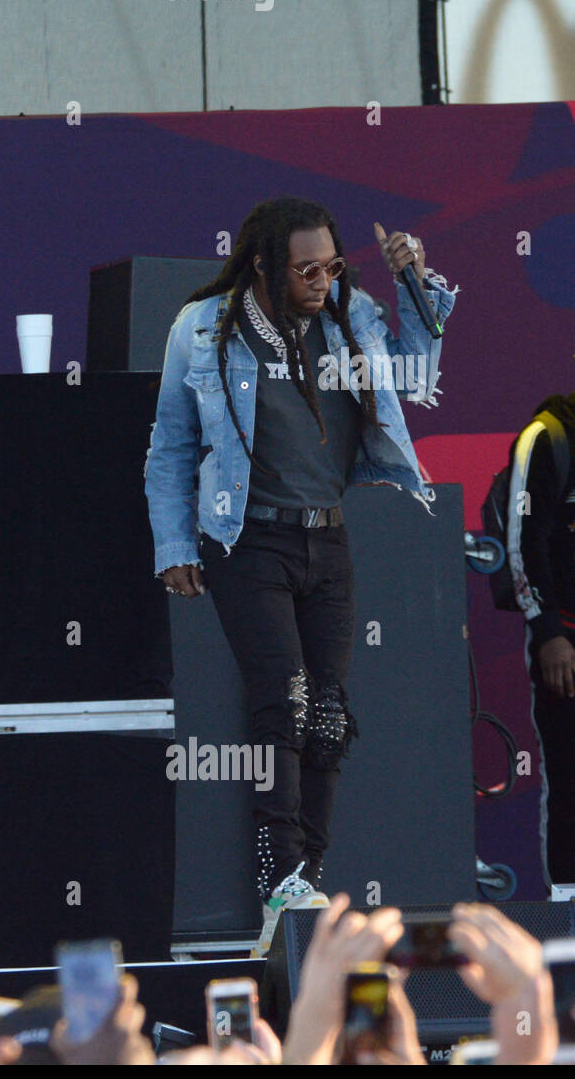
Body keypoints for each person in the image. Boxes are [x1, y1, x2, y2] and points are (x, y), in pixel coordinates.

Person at [144, 196, 457, 956]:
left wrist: (413, 280)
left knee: (328, 712)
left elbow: (418, 370)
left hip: (327, 535)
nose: (321, 279)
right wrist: (174, 543)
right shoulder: (205, 328)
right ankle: (278, 875)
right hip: (244, 539)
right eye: (306, 268)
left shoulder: (351, 315)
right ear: (264, 265)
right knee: (280, 698)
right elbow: (171, 447)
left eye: (332, 265)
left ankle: (305, 882)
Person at [503, 391, 575, 894]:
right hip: (567, 645)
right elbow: (522, 540)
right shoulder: (547, 437)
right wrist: (548, 631)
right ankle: (570, 900)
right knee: (571, 780)